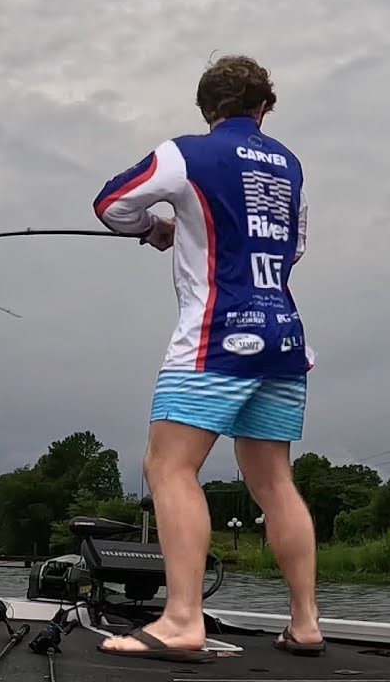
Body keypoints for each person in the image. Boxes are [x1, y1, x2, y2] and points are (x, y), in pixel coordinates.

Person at [91, 55, 324, 663]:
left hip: (216, 335)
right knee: (274, 481)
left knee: (169, 467)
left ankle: (181, 619)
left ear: (207, 108)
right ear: (263, 106)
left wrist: (155, 229)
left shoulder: (186, 153)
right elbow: (294, 245)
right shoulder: (290, 165)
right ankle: (305, 622)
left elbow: (111, 203)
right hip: (284, 335)